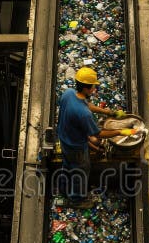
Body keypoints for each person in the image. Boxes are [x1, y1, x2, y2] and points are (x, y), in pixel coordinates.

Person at [57, 67, 140, 208]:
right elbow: (98, 134)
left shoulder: (69, 93)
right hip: (76, 148)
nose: (94, 89)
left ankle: (64, 190)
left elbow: (86, 104)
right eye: (93, 86)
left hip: (64, 139)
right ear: (86, 88)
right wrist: (121, 131)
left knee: (68, 167)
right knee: (80, 172)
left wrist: (109, 113)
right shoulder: (84, 114)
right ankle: (77, 200)